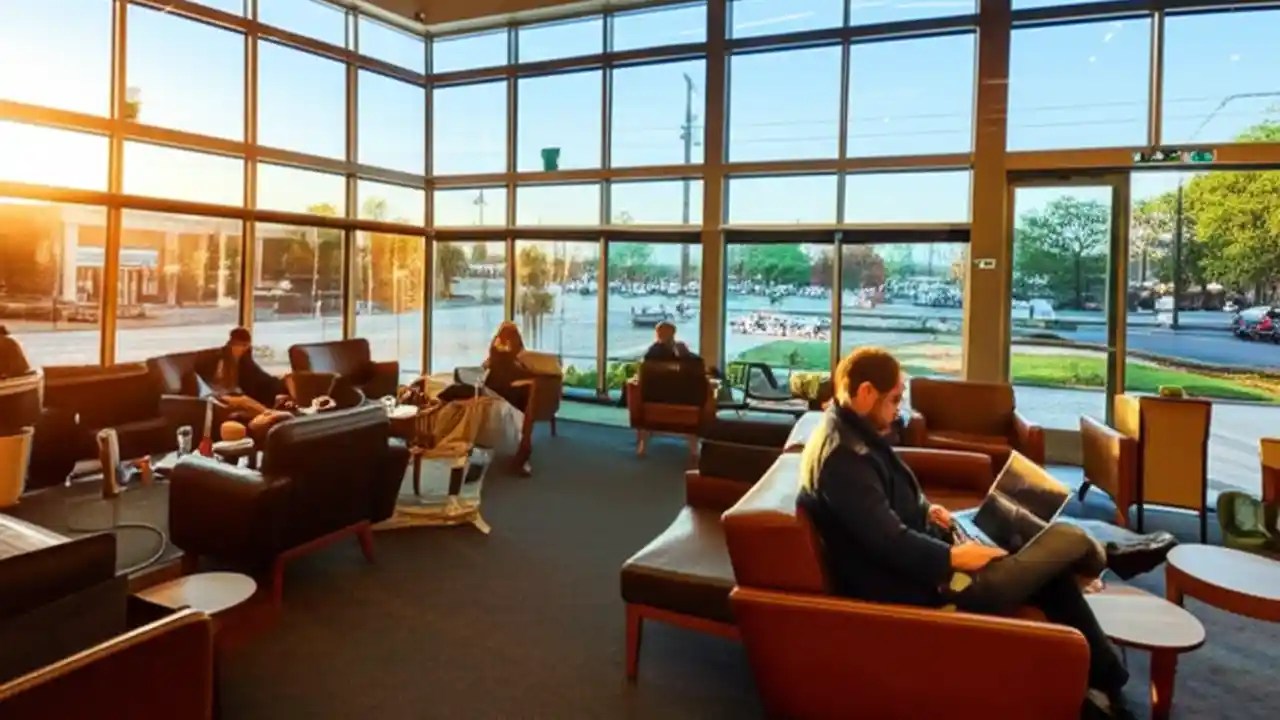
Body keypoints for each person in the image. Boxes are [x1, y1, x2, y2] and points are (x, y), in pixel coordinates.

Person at [798, 348, 1175, 720]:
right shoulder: (843, 458)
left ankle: (1109, 679)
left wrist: (928, 510)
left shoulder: (849, 433)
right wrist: (953, 558)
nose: (899, 409)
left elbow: (883, 509)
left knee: (1036, 550)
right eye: (894, 398)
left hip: (934, 557)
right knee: (1067, 537)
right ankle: (1107, 556)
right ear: (865, 393)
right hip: (934, 590)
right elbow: (888, 542)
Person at [483, 322, 536, 475]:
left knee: (527, 396)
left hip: (495, 389)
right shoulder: (513, 357)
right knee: (529, 398)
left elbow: (488, 364)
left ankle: (523, 450)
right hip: (509, 391)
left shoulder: (496, 350)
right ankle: (523, 452)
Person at [199, 327, 285, 418]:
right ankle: (269, 414)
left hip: (232, 394)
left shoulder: (244, 362)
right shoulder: (217, 360)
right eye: (242, 345)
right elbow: (210, 382)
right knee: (245, 401)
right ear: (233, 344)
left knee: (247, 402)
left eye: (247, 346)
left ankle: (269, 414)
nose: (245, 350)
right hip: (218, 396)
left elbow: (259, 375)